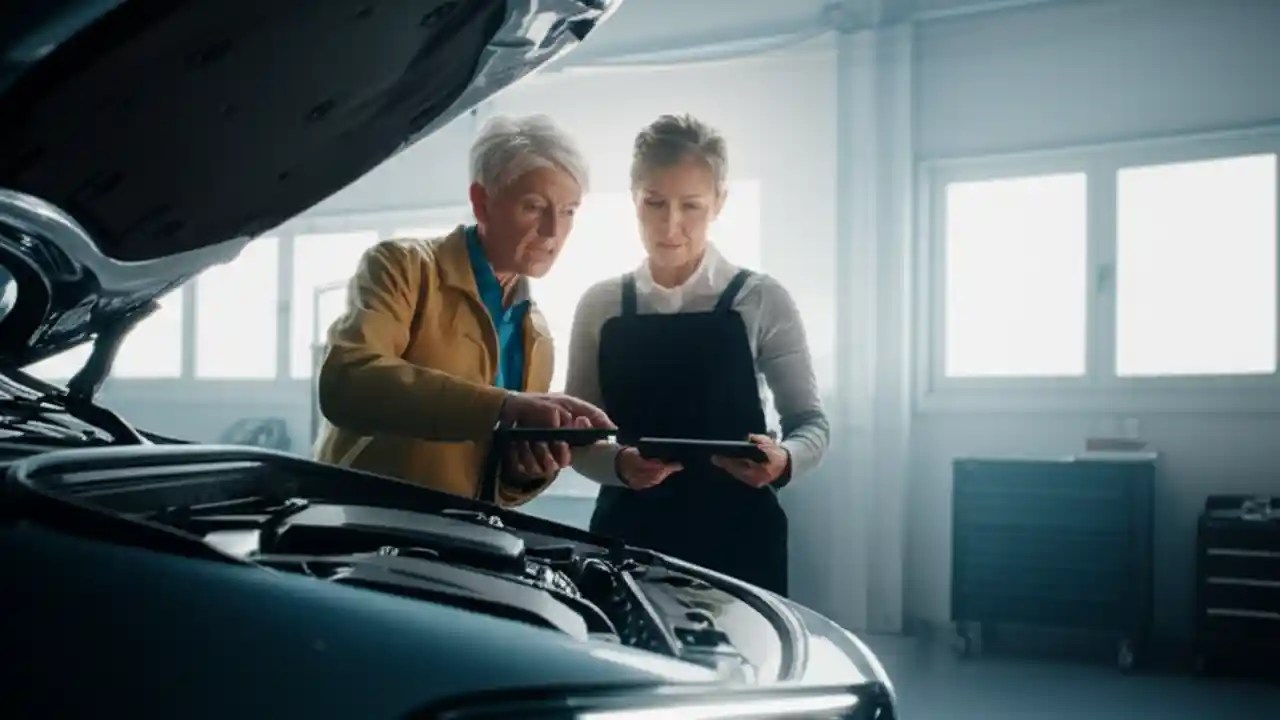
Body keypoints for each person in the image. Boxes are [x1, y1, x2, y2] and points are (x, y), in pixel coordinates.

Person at [564, 114, 829, 596]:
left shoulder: (763, 299)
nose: (671, 226)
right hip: (627, 539)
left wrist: (784, 460)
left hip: (740, 543)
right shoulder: (599, 305)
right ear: (633, 199)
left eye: (691, 206)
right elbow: (580, 440)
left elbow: (811, 422)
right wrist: (619, 464)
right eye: (655, 203)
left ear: (719, 203)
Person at [314, 114, 612, 507]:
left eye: (569, 211)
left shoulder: (536, 332)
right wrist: (503, 406)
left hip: (458, 542)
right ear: (482, 203)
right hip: (362, 526)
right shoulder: (403, 267)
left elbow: (497, 485)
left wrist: (525, 474)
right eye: (534, 206)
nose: (553, 231)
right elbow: (346, 384)